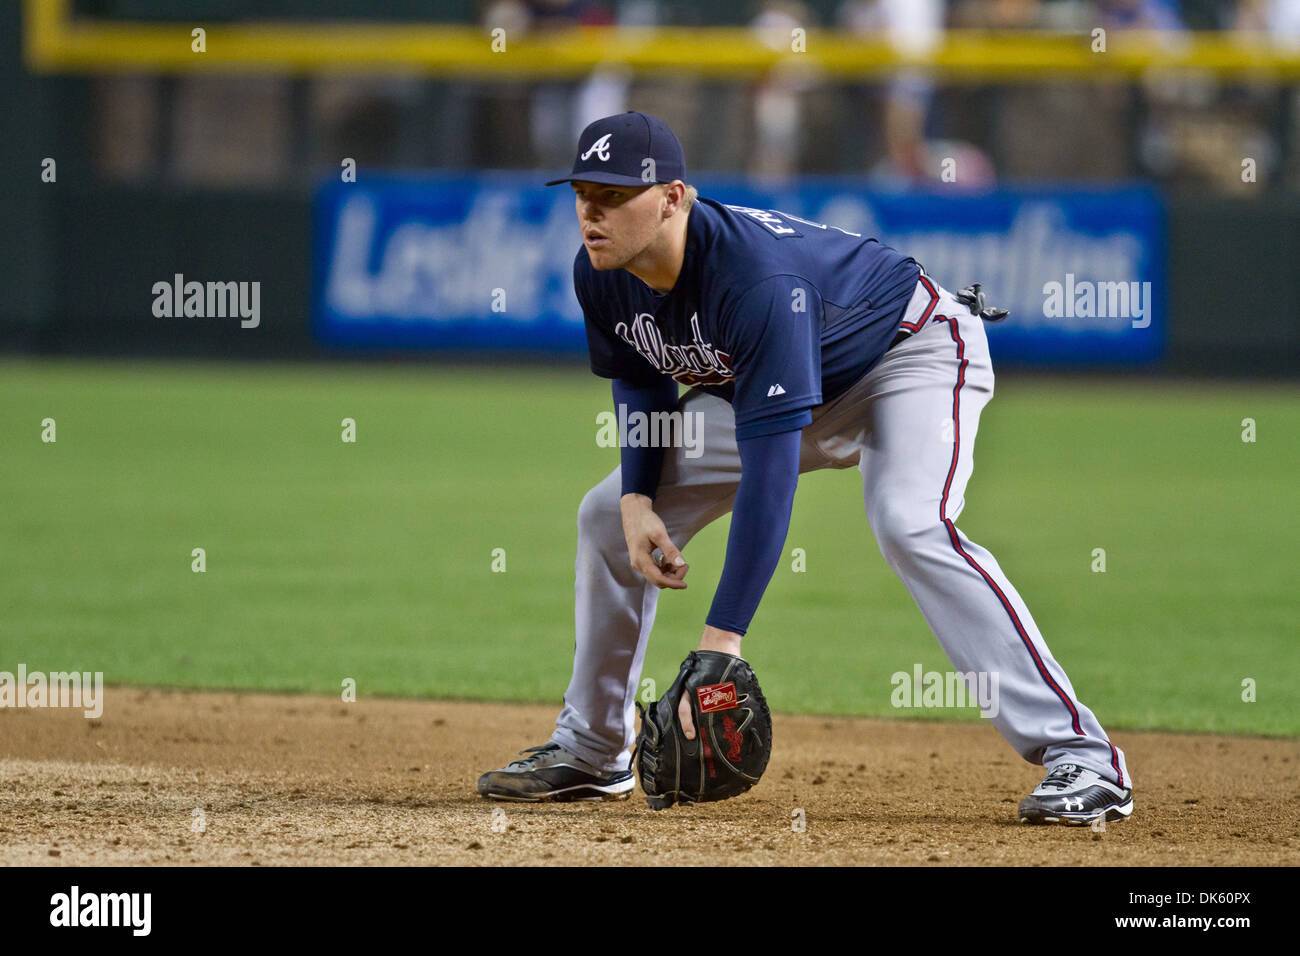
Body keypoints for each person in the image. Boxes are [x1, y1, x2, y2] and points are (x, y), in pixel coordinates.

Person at [476, 111, 1133, 825]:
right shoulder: (601, 272)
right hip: (778, 386)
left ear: (674, 198)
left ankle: (1085, 758)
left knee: (911, 524)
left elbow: (770, 471)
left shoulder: (755, 279)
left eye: (612, 196)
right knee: (605, 518)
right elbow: (642, 380)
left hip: (904, 358)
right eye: (582, 193)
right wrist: (639, 497)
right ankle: (594, 750)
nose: (590, 213)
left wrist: (721, 641)